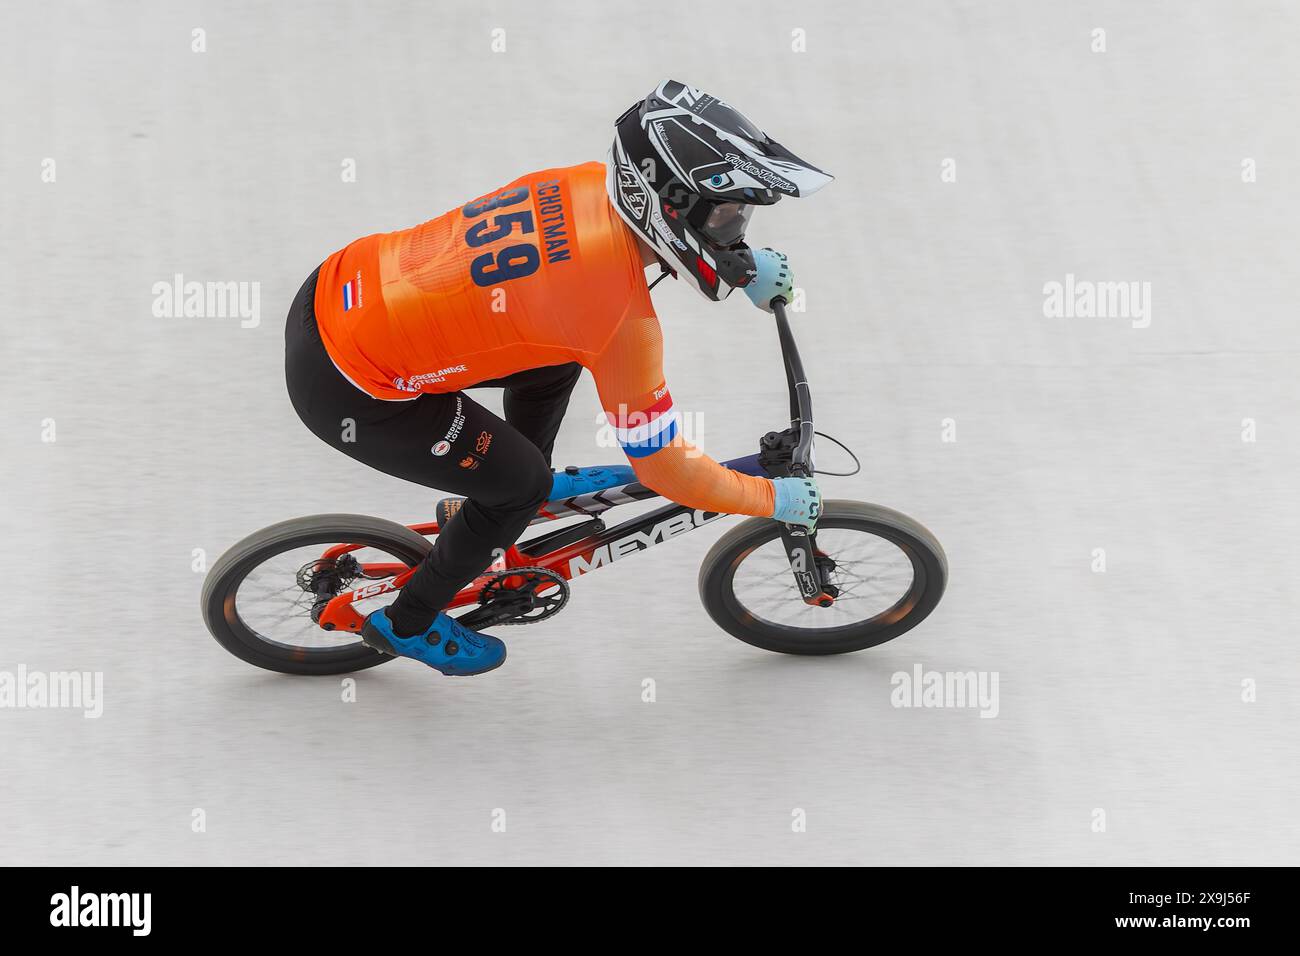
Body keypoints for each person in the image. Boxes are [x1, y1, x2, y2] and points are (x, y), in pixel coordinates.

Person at [284, 79, 831, 677]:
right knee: (512, 487)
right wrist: (768, 497)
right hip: (351, 388)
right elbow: (665, 470)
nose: (737, 229)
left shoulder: (582, 185)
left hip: (337, 288)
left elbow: (565, 284)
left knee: (556, 356)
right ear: (668, 205)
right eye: (727, 216)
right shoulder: (619, 323)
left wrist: (737, 262)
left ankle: (526, 490)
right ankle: (407, 622)